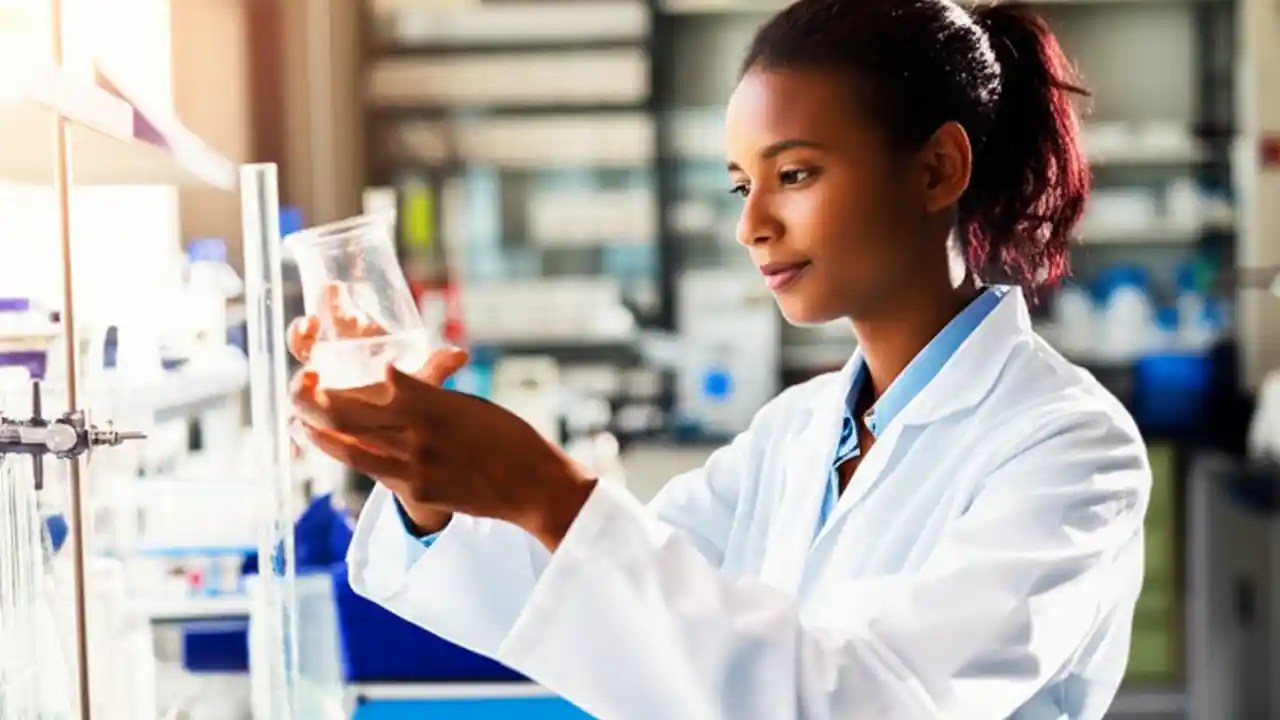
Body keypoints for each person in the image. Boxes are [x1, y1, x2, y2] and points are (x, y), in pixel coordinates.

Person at [290, 1, 1150, 717]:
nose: (753, 225)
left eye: (797, 174)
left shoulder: (1069, 450)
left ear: (937, 168)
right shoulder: (799, 434)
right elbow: (607, 612)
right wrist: (423, 487)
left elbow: (875, 700)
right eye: (743, 184)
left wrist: (547, 491)